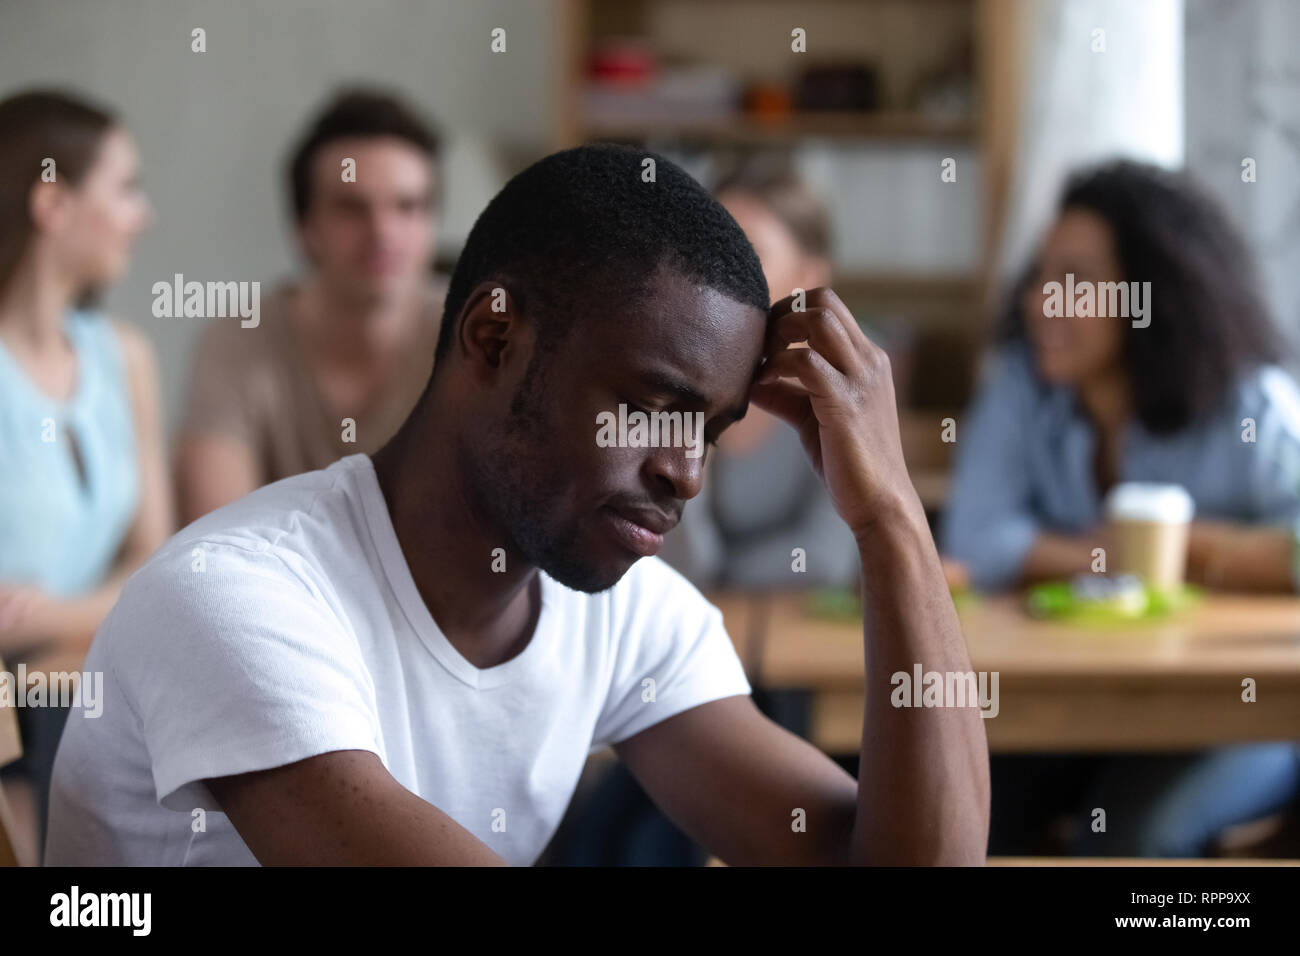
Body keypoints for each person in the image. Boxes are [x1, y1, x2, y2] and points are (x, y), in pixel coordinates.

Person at [46, 144, 988, 866]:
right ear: (494, 336)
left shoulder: (625, 616)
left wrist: (891, 518)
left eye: (709, 425)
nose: (686, 472)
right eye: (652, 407)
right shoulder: (241, 598)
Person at [941, 159, 1300, 856]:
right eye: (1043, 276)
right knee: (957, 810)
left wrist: (1185, 545)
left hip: (1235, 712)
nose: (1045, 301)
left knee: (1127, 841)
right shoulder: (1023, 387)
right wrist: (1114, 556)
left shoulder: (1248, 406)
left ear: (1153, 294)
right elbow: (974, 540)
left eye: (1076, 281)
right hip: (1069, 703)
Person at [0, 90, 172, 859]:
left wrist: (52, 617)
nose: (143, 215)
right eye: (126, 187)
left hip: (72, 675)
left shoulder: (122, 355)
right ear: (52, 202)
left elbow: (158, 560)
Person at [174, 88, 446, 522]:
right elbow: (213, 541)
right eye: (351, 209)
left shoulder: (480, 336)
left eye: (407, 207)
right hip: (268, 590)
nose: (382, 232)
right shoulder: (237, 341)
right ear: (305, 228)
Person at [659, 158, 859, 592]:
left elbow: (826, 557)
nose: (716, 274)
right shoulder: (665, 386)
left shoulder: (838, 394)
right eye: (709, 252)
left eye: (748, 253)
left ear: (808, 278)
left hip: (795, 643)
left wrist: (723, 576)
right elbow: (666, 565)